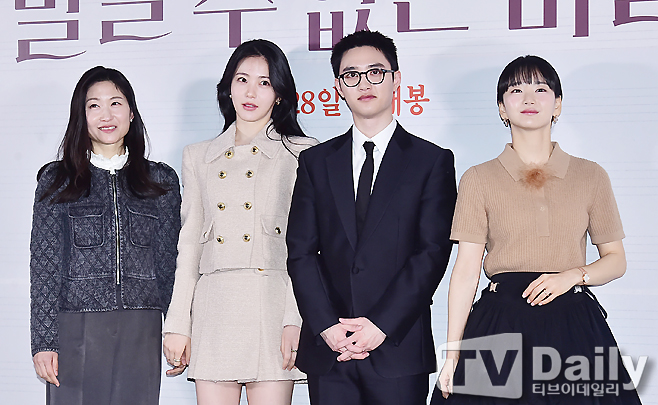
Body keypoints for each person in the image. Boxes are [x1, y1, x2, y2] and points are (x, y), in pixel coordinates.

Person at [431, 55, 643, 404]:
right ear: (502, 108)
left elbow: (616, 259)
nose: (529, 98)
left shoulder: (591, 175)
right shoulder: (478, 178)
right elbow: (466, 270)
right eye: (516, 90)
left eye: (541, 89)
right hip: (500, 321)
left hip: (572, 323)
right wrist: (453, 353)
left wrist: (572, 276)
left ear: (557, 104)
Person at [286, 30, 457, 405]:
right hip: (329, 351)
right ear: (338, 87)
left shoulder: (431, 161)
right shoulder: (316, 162)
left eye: (376, 72)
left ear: (396, 79)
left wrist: (381, 325)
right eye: (352, 75)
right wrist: (326, 326)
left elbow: (431, 253)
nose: (364, 83)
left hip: (398, 345)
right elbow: (300, 251)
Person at [162, 39, 317, 405]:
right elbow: (189, 246)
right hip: (214, 308)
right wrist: (178, 325)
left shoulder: (302, 152)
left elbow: (310, 248)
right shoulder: (199, 156)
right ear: (228, 87)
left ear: (279, 94)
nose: (251, 92)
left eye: (265, 82)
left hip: (272, 306)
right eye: (242, 79)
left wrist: (295, 319)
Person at [30, 66, 182, 405]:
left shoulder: (160, 182)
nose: (106, 115)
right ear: (81, 116)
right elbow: (44, 266)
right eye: (94, 106)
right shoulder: (57, 181)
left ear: (131, 112)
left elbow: (169, 262)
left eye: (115, 103)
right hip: (76, 326)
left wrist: (178, 327)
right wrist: (44, 341)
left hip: (142, 323)